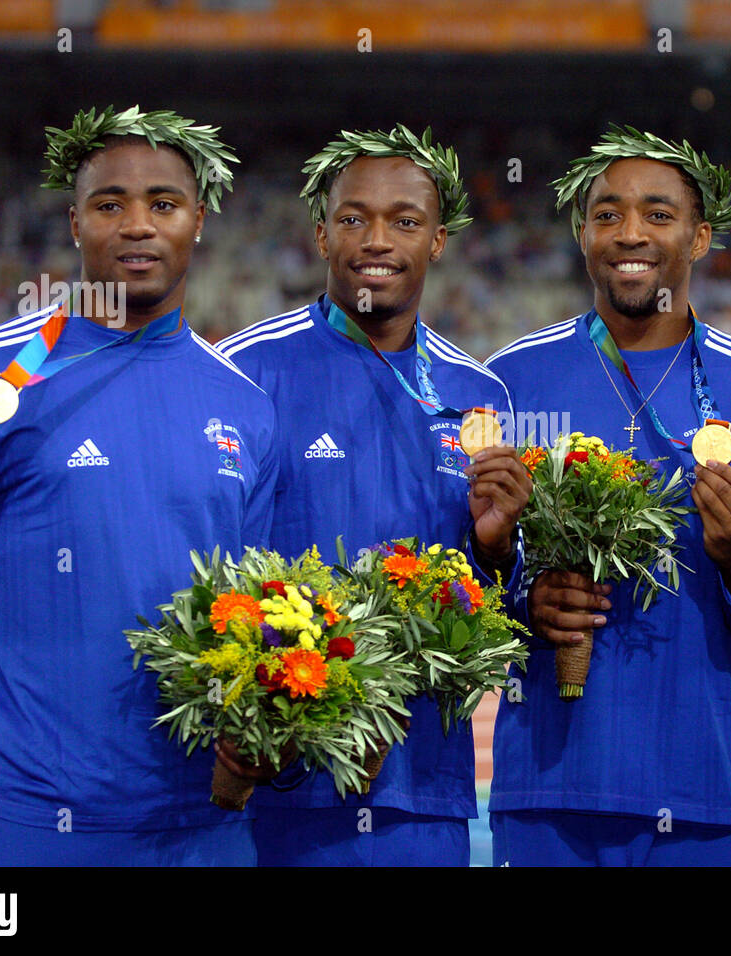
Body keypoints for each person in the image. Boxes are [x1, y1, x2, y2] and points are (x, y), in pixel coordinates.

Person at [0, 105, 279, 866]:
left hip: (199, 825)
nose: (136, 225)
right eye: (109, 203)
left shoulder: (245, 403)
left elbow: (262, 606)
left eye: (163, 204)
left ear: (199, 223)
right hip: (17, 816)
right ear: (75, 223)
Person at [483, 126, 731, 866]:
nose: (630, 233)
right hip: (547, 792)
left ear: (699, 238)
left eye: (659, 214)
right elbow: (465, 585)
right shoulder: (507, 382)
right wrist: (519, 595)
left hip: (704, 796)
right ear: (582, 232)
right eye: (607, 213)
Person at [218, 125, 530, 866]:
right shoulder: (243, 371)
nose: (377, 240)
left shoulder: (477, 394)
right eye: (353, 218)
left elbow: (494, 608)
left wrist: (495, 545)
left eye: (406, 221)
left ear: (440, 241)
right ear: (321, 234)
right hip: (273, 780)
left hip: (421, 790)